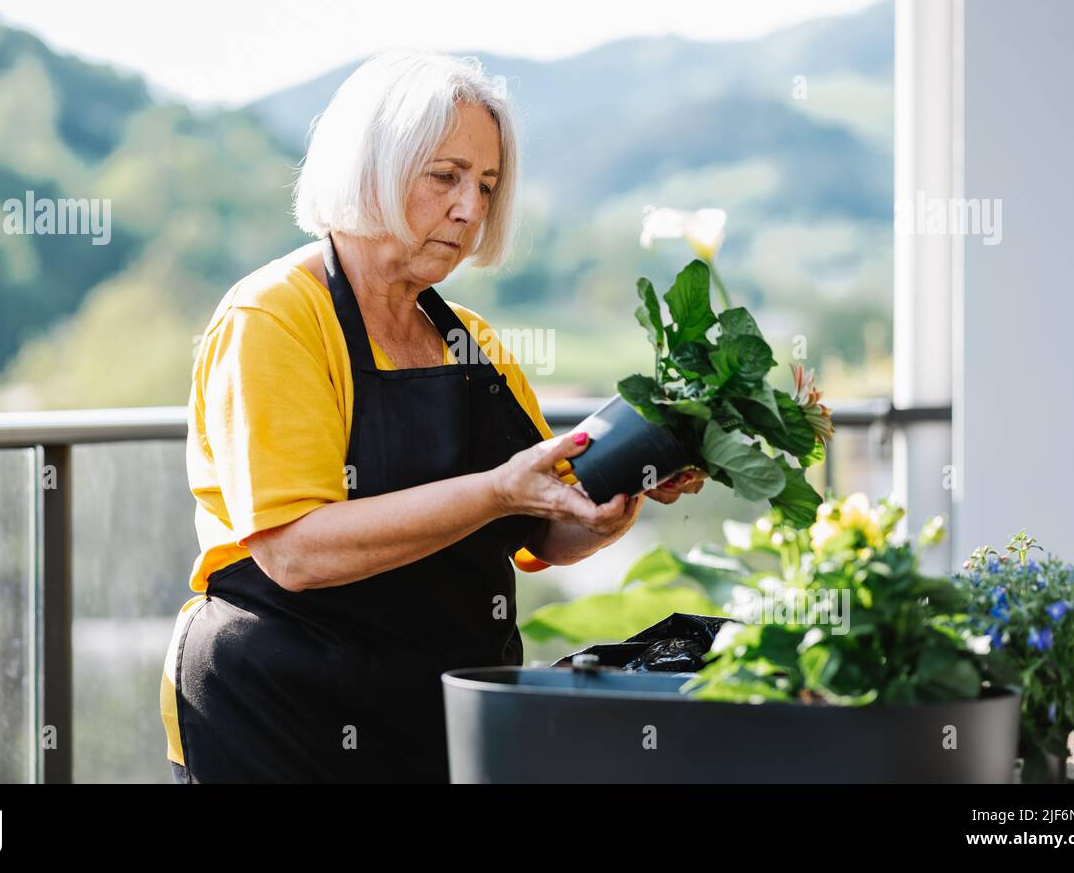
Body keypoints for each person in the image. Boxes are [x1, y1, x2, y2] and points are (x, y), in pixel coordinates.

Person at [159, 49, 705, 783]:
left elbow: (540, 528)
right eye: (445, 177)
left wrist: (613, 500)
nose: (470, 209)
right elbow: (295, 552)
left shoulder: (470, 341)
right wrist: (494, 492)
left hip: (440, 707)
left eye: (486, 184)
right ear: (371, 168)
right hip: (282, 710)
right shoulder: (274, 319)